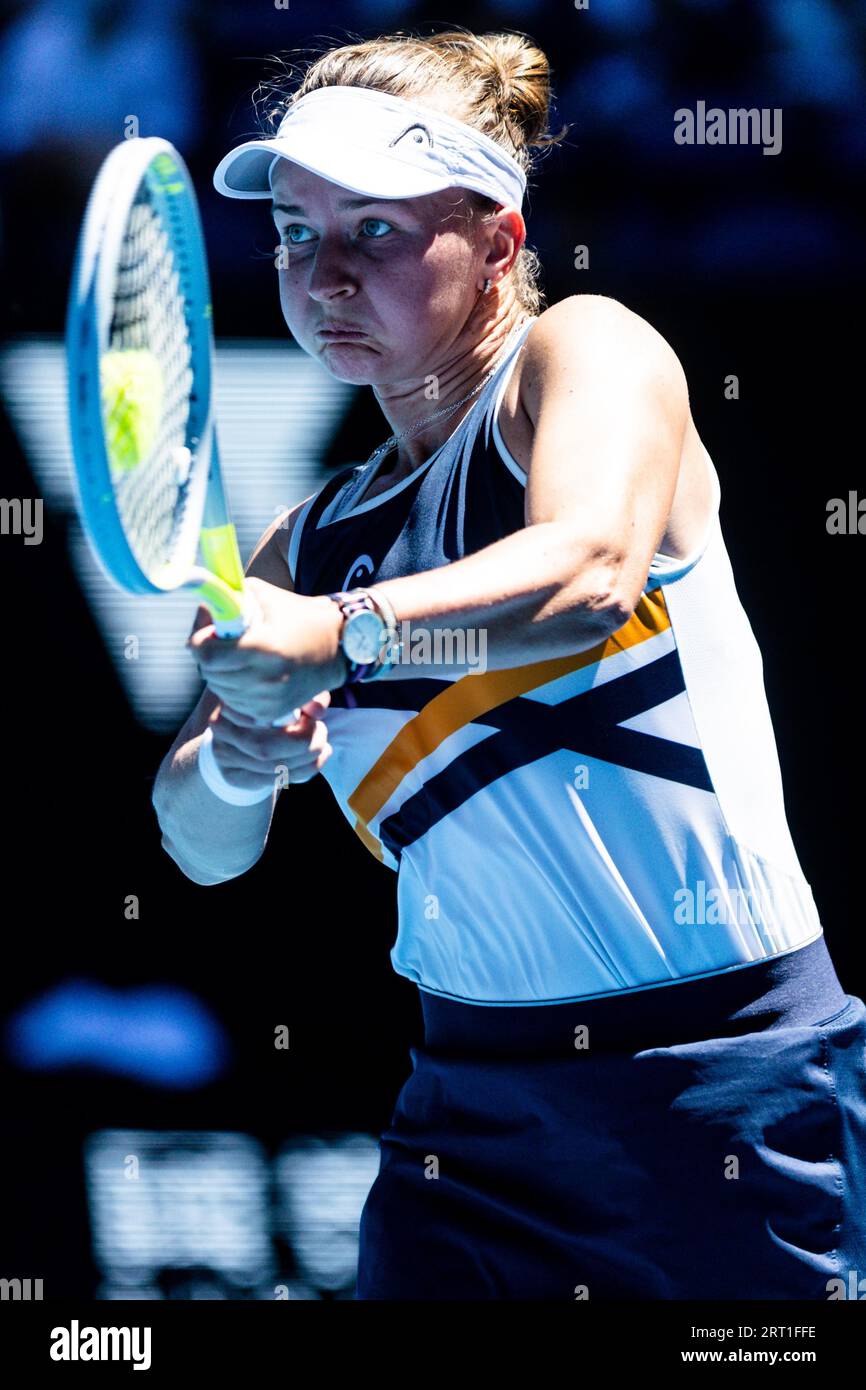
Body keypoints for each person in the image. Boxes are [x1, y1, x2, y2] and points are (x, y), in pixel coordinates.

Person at [152, 28, 866, 1300]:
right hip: (464, 1121)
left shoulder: (585, 352)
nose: (322, 273)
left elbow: (588, 575)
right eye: (295, 232)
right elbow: (201, 843)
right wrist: (242, 758)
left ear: (497, 241)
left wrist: (342, 633)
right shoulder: (298, 546)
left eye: (374, 230)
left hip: (721, 1090)